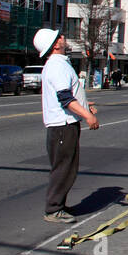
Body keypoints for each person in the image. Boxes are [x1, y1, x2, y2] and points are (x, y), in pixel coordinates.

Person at [34, 26, 100, 224]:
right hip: (63, 125)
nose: (63, 37)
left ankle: (59, 205)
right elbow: (64, 98)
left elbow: (63, 95)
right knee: (64, 168)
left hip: (64, 123)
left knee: (65, 167)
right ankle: (53, 209)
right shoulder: (57, 66)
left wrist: (84, 104)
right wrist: (87, 116)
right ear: (55, 45)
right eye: (59, 36)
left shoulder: (59, 64)